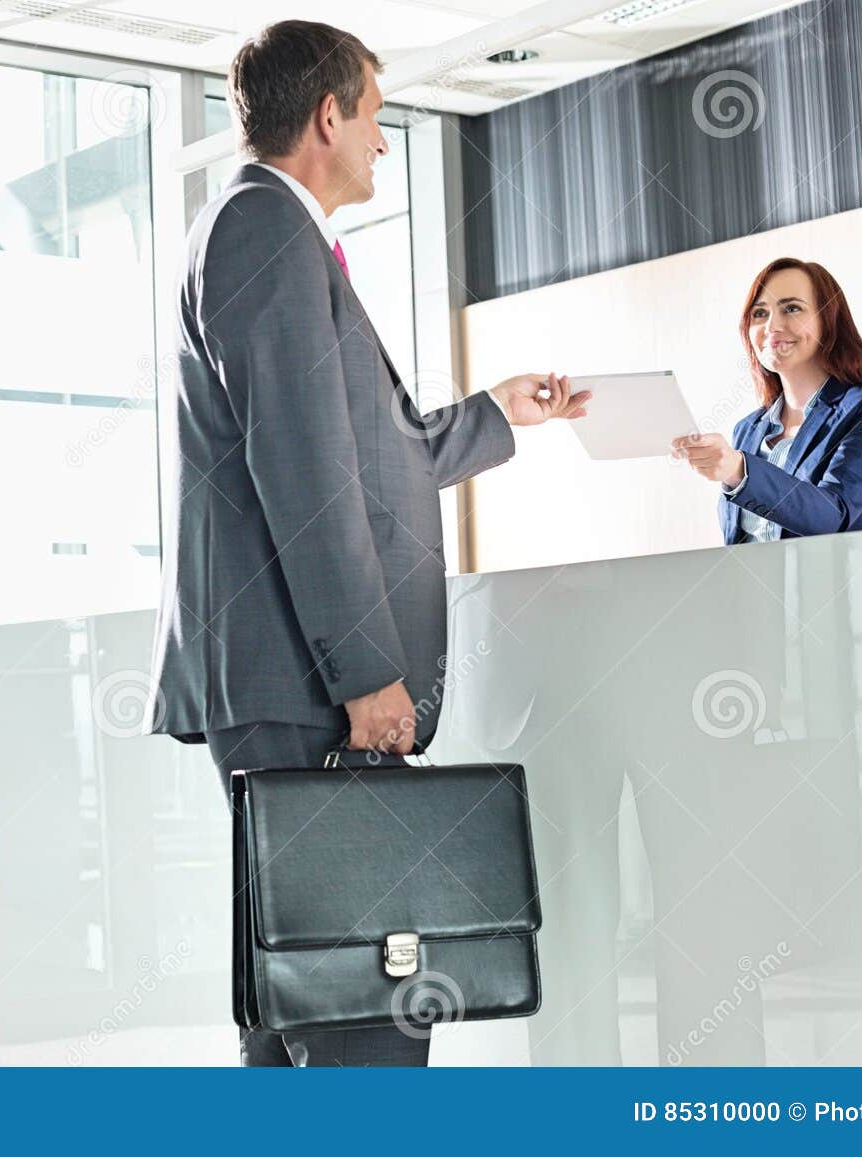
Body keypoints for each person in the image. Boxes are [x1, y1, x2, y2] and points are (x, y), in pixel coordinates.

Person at [146, 20, 588, 1067]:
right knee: (367, 1012)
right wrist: (367, 672)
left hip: (288, 673)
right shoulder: (262, 229)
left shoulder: (268, 233)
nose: (384, 143)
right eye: (379, 116)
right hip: (302, 676)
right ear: (329, 115)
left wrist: (494, 413)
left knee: (301, 988)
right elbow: (301, 471)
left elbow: (357, 454)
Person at [673, 257, 862, 544]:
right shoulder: (748, 428)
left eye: (792, 308)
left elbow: (834, 515)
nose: (772, 326)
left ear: (829, 320)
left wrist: (739, 471)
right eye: (759, 313)